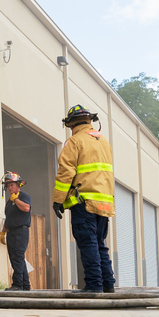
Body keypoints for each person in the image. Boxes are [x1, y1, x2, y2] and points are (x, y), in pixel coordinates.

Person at [53, 104, 115, 292]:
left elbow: (66, 172)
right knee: (100, 245)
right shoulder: (103, 141)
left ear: (71, 124)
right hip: (104, 203)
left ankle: (94, 286)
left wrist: (58, 199)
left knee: (88, 244)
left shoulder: (75, 141)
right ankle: (108, 286)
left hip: (84, 202)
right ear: (89, 120)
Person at [1, 171, 32, 289]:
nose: (10, 188)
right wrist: (3, 232)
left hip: (20, 231)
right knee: (15, 259)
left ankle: (17, 285)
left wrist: (16, 200)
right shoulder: (9, 202)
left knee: (18, 257)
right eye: (8, 186)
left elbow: (26, 208)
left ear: (18, 185)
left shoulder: (23, 196)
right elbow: (8, 218)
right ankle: (25, 285)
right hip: (11, 232)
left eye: (11, 185)